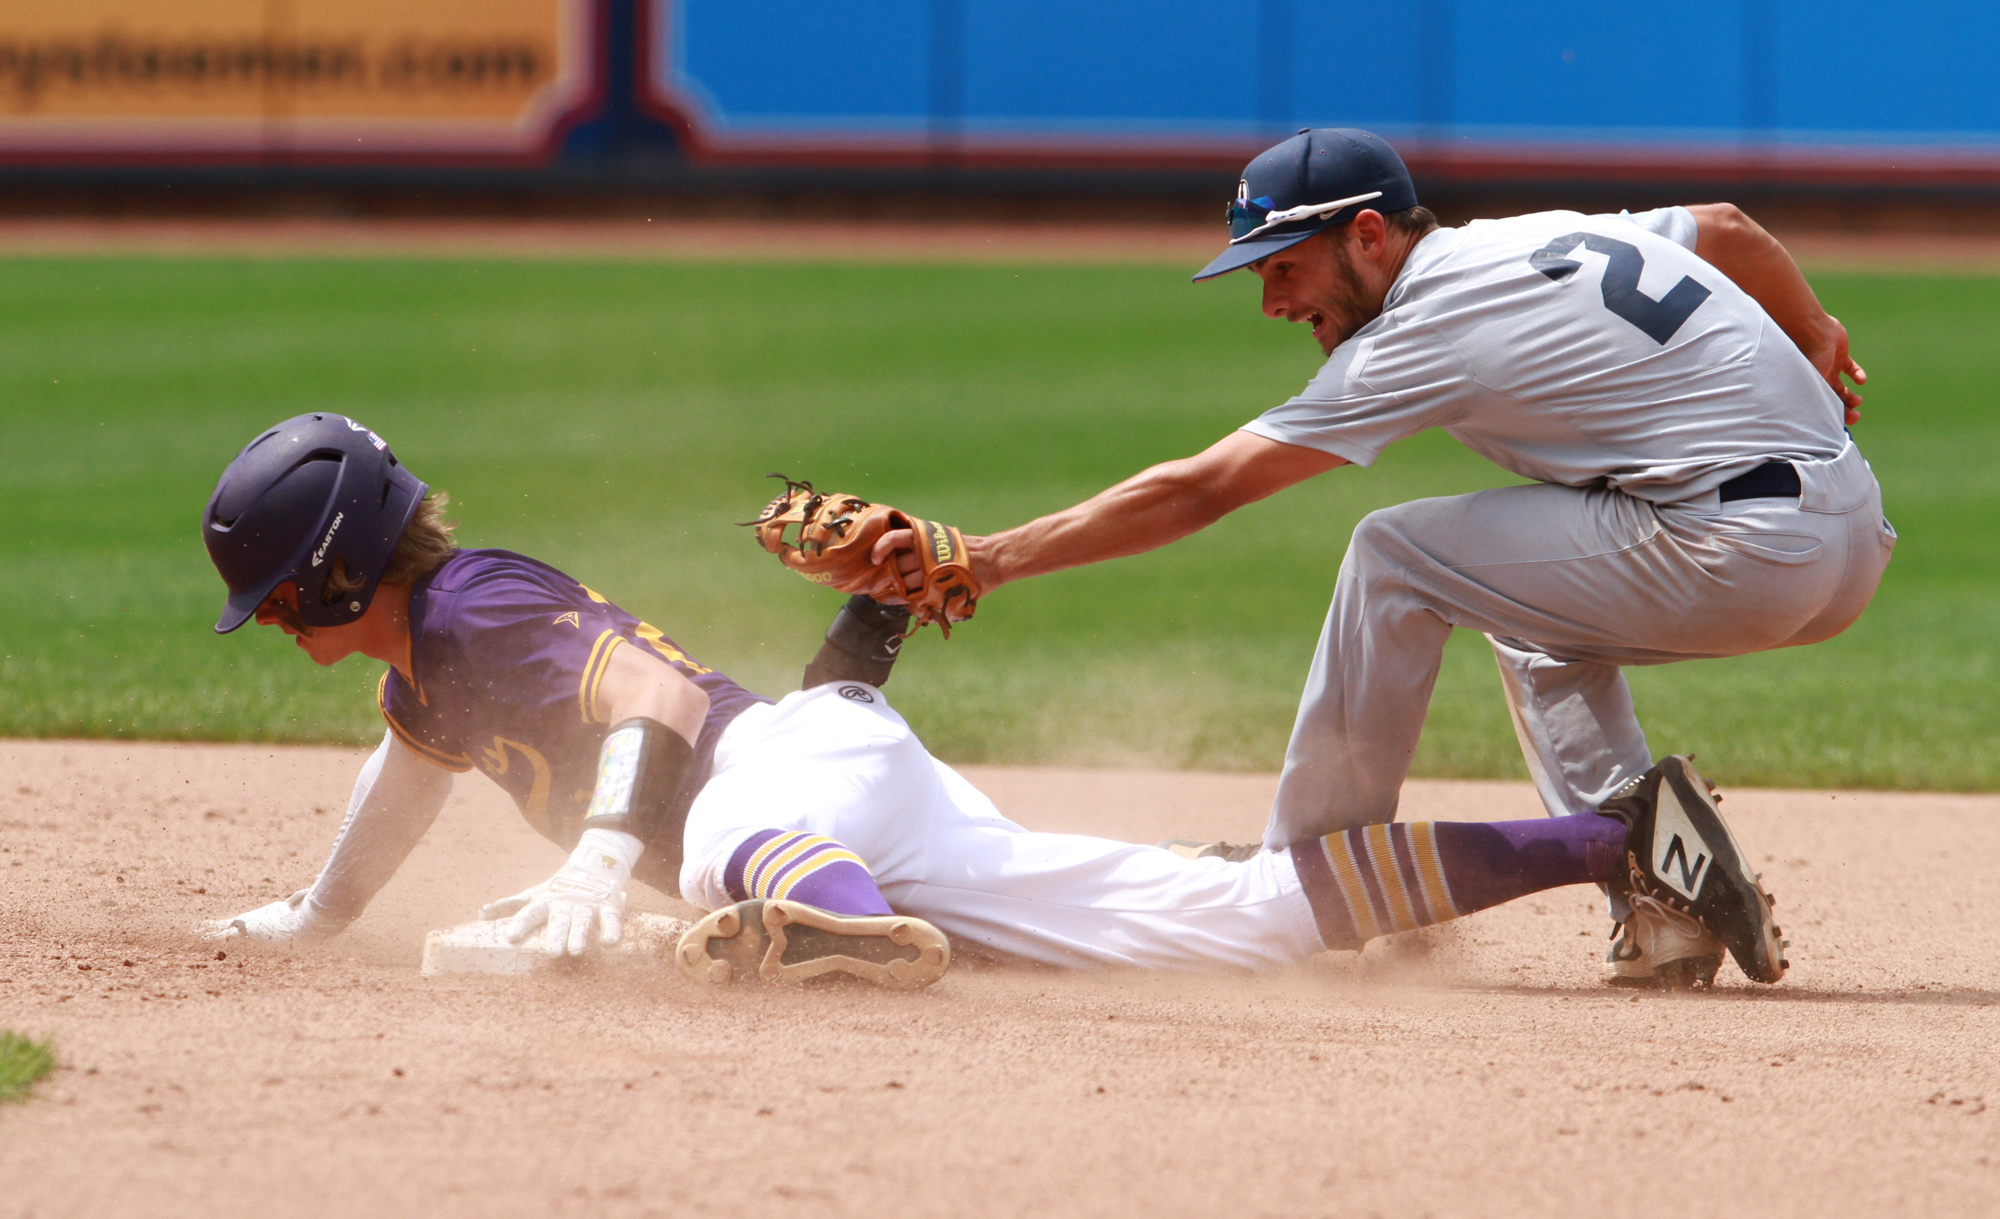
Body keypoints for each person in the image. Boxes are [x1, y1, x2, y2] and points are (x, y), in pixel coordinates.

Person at [199, 413, 1785, 990]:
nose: (270, 622)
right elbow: (411, 765)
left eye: (273, 593)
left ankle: (826, 926)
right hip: (845, 760)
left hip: (779, 782)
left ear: (332, 570)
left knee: (729, 836)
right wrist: (319, 912)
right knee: (1234, 917)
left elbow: (657, 700)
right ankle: (1617, 836)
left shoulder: (473, 603)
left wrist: (606, 859)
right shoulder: (428, 660)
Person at [861, 127, 1880, 985]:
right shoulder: (1528, 236)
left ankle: (1305, 881)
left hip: (1737, 549)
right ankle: (1663, 895)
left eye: (1283, 265)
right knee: (1528, 614)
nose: (1270, 300)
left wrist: (991, 556)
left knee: (1393, 553)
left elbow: (1203, 488)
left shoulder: (1423, 325)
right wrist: (1818, 329)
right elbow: (1725, 228)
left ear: (1365, 233)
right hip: (1843, 532)